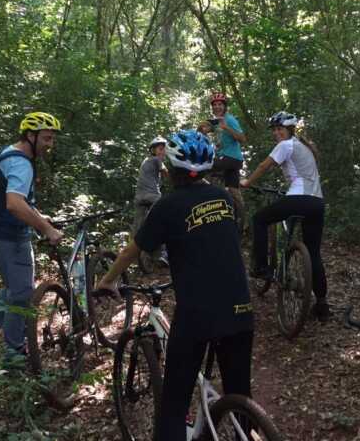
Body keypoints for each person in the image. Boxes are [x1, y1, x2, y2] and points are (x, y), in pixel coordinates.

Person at [96, 129, 253, 441]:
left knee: (173, 401)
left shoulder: (167, 206)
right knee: (240, 394)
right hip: (241, 307)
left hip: (197, 315)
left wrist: (107, 280)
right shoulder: (223, 197)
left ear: (169, 171)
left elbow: (133, 249)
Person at [0, 112, 64, 364]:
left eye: (52, 139)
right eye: (46, 138)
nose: (49, 144)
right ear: (30, 136)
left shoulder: (8, 153)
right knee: (22, 294)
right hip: (9, 240)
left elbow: (18, 200)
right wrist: (47, 229)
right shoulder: (21, 163)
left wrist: (41, 218)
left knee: (14, 288)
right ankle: (15, 354)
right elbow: (14, 204)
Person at [239, 111, 329, 322]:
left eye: (280, 129)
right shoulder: (304, 146)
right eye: (275, 130)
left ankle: (261, 266)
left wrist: (247, 182)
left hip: (299, 198)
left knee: (259, 219)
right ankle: (322, 304)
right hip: (317, 202)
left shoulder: (286, 145)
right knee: (314, 254)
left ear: (289, 130)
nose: (277, 133)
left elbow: (264, 165)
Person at [199, 91, 247, 231]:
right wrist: (203, 130)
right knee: (233, 189)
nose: (217, 107)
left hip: (230, 158)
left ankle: (206, 198)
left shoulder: (229, 119)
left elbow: (242, 139)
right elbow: (206, 129)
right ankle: (239, 222)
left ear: (225, 107)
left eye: (220, 104)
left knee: (203, 168)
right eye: (214, 105)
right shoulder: (216, 121)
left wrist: (226, 127)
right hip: (232, 160)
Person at [134, 135, 169, 269]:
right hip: (152, 196)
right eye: (160, 149)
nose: (162, 152)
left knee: (138, 228)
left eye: (163, 150)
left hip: (139, 197)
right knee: (162, 221)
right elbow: (168, 175)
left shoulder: (146, 161)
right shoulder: (156, 160)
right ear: (153, 150)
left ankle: (138, 258)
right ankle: (163, 254)